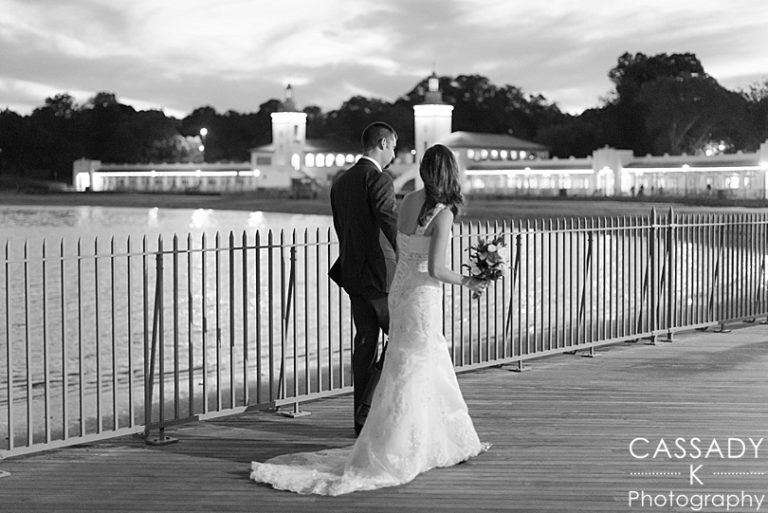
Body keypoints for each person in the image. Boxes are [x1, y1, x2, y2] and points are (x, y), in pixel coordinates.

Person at [250, 143, 490, 495]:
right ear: (452, 173)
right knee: (421, 363)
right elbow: (437, 269)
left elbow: (396, 243)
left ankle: (425, 436)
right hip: (423, 296)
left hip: (400, 291)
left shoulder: (408, 200)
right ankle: (412, 444)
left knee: (404, 363)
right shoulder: (444, 214)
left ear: (424, 170)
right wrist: (470, 280)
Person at [328, 121, 399, 437]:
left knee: (365, 343)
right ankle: (369, 407)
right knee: (400, 337)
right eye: (393, 147)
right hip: (380, 278)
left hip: (353, 276)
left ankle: (361, 420)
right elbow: (390, 224)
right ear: (382, 144)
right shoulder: (378, 179)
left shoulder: (341, 182)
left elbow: (342, 231)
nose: (394, 154)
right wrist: (409, 258)